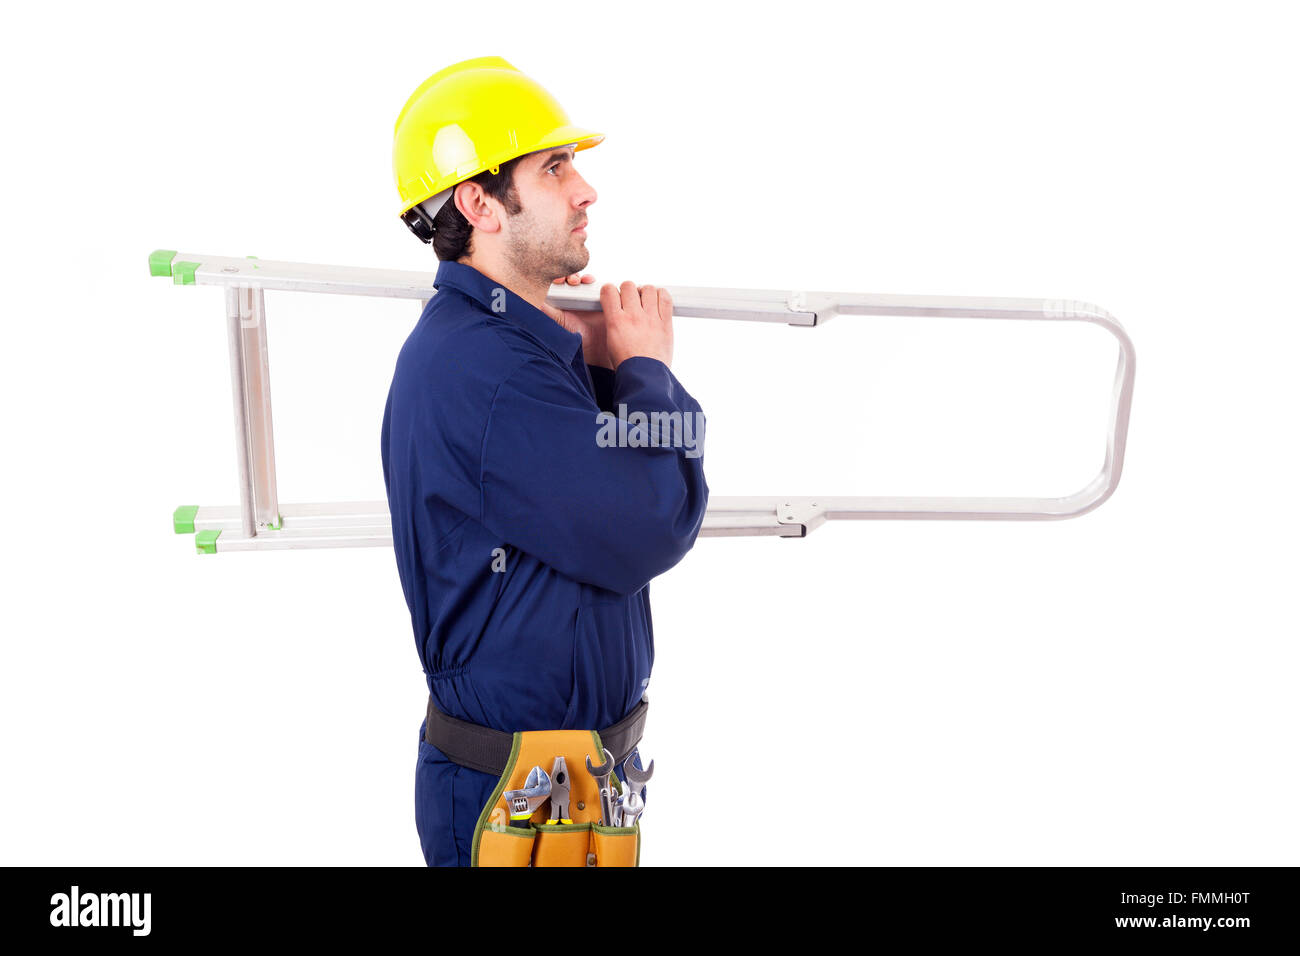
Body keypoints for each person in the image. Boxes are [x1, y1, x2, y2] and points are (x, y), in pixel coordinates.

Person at [381, 57, 710, 865]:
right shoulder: (486, 371)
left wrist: (600, 369)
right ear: (477, 203)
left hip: (576, 793)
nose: (585, 190)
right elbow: (649, 525)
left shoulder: (517, 355)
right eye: (554, 166)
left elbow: (596, 504)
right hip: (515, 804)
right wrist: (645, 373)